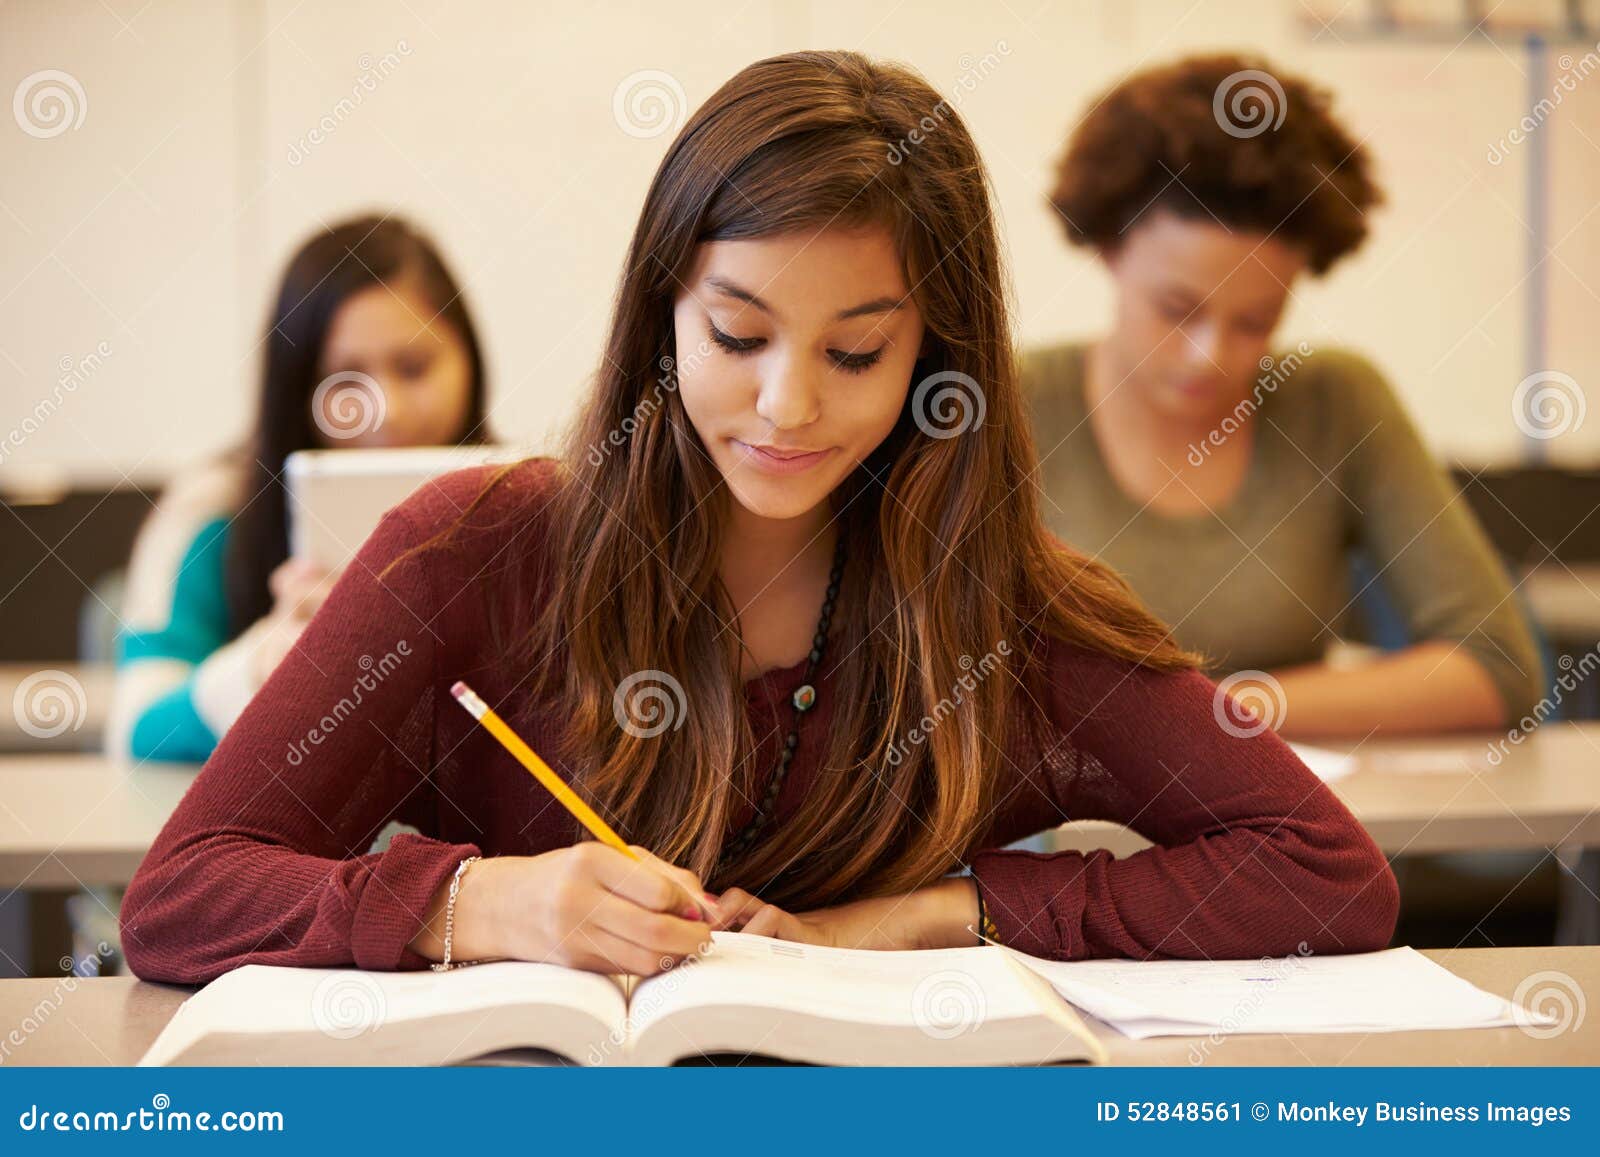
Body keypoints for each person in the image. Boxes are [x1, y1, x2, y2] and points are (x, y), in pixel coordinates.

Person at [121, 51, 1396, 986]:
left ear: (932, 361)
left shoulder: (1005, 610)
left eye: (856, 352)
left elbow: (1327, 873)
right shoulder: (475, 546)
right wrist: (485, 900)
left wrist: (944, 907)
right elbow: (180, 897)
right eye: (736, 333)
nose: (784, 404)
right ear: (664, 314)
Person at [1024, 54, 1543, 739]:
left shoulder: (1335, 403)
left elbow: (1498, 667)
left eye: (1256, 321)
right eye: (1176, 308)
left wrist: (1213, 717)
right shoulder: (1011, 405)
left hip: (1280, 833)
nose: (1210, 355)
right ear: (1107, 251)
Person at [110, 215, 491, 762]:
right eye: (345, 381)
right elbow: (140, 728)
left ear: (469, 362)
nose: (387, 412)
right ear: (297, 388)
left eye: (413, 367)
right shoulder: (215, 513)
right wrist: (264, 662)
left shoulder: (532, 500)